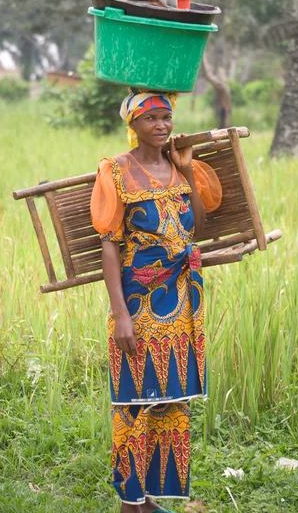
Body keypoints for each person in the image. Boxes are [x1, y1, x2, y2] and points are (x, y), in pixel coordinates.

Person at [90, 89, 222, 513]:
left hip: (182, 301)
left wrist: (186, 171)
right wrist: (120, 314)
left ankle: (146, 500)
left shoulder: (180, 168)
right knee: (134, 403)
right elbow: (110, 247)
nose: (161, 125)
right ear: (133, 126)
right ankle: (130, 504)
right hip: (139, 303)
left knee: (168, 399)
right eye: (151, 119)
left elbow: (195, 229)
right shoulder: (115, 172)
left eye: (166, 117)